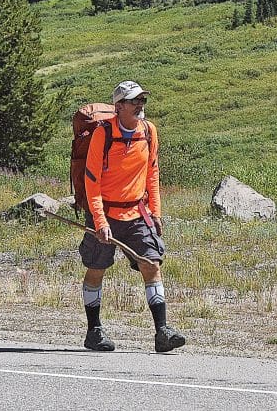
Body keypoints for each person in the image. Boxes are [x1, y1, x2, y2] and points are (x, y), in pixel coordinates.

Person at [78, 80, 186, 353]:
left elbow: (153, 172)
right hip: (105, 212)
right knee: (97, 269)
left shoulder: (149, 131)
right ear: (119, 107)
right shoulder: (103, 134)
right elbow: (92, 181)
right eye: (134, 101)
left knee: (151, 264)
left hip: (137, 213)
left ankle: (162, 332)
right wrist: (100, 221)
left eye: (142, 100)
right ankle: (94, 331)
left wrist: (156, 212)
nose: (140, 105)